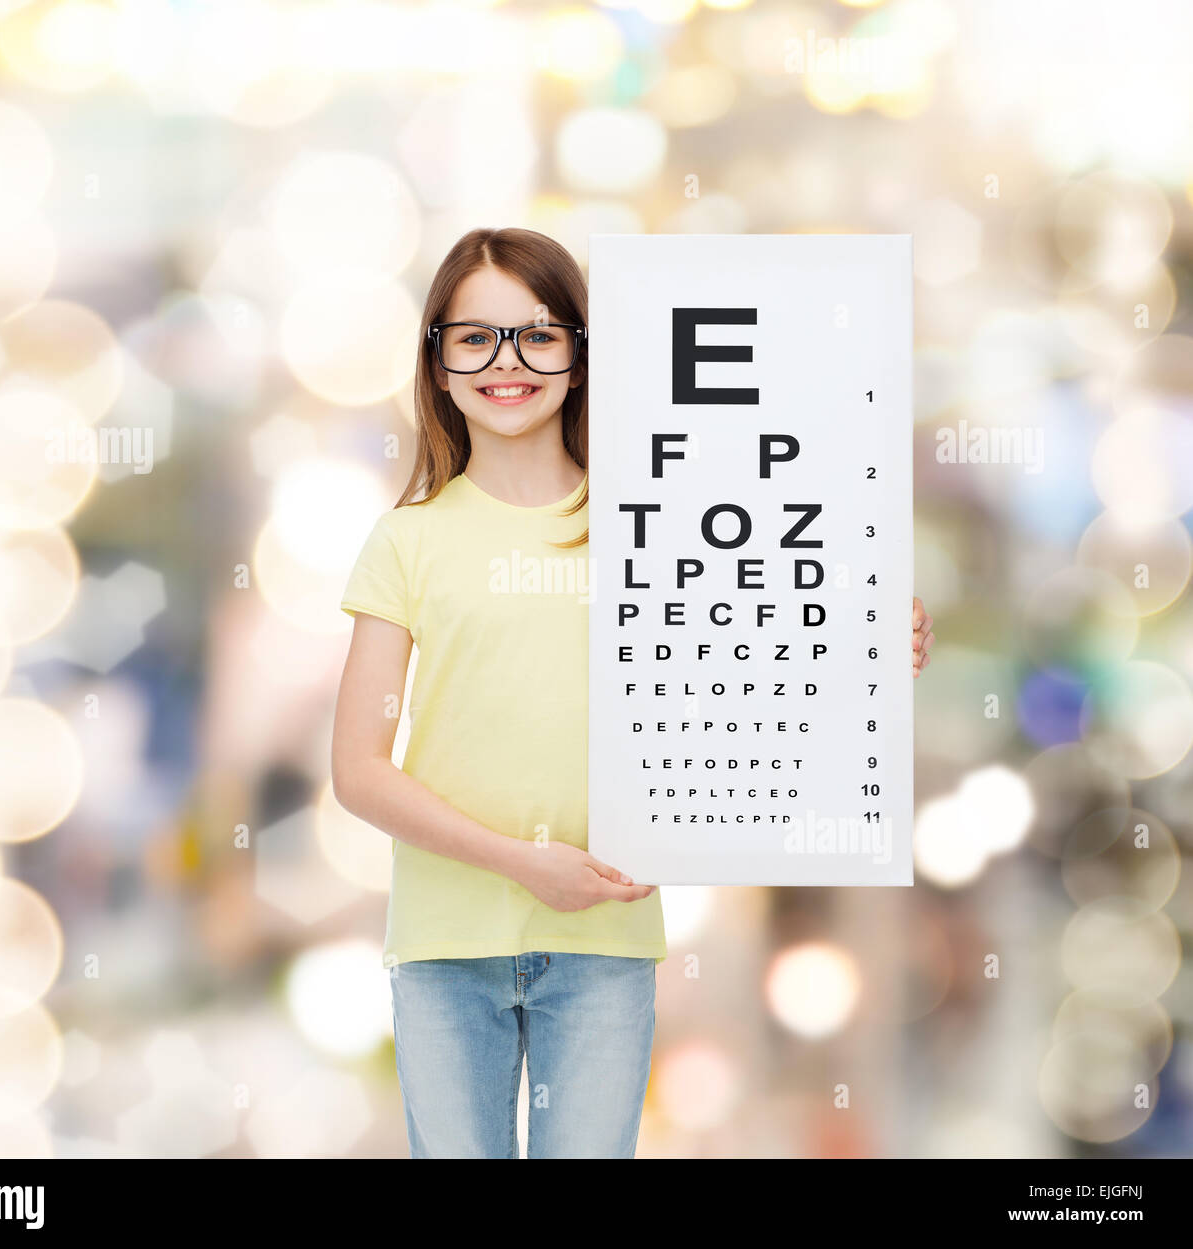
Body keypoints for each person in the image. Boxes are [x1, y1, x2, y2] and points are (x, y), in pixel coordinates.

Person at [331, 227, 936, 1159]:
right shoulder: (408, 542)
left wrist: (860, 642)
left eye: (538, 335)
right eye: (475, 338)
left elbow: (750, 653)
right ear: (439, 365)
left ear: (579, 354)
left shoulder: (657, 522)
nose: (509, 363)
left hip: (607, 940)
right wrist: (522, 862)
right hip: (447, 946)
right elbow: (359, 772)